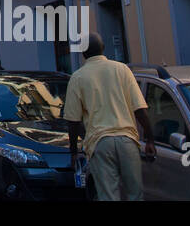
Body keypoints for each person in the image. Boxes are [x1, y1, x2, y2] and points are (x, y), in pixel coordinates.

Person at [63, 32, 155, 201]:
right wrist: (149, 140)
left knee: (108, 196)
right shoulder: (122, 69)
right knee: (135, 194)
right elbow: (140, 109)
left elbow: (73, 121)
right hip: (127, 139)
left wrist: (74, 152)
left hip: (99, 143)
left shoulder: (77, 77)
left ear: (83, 53)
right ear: (103, 48)